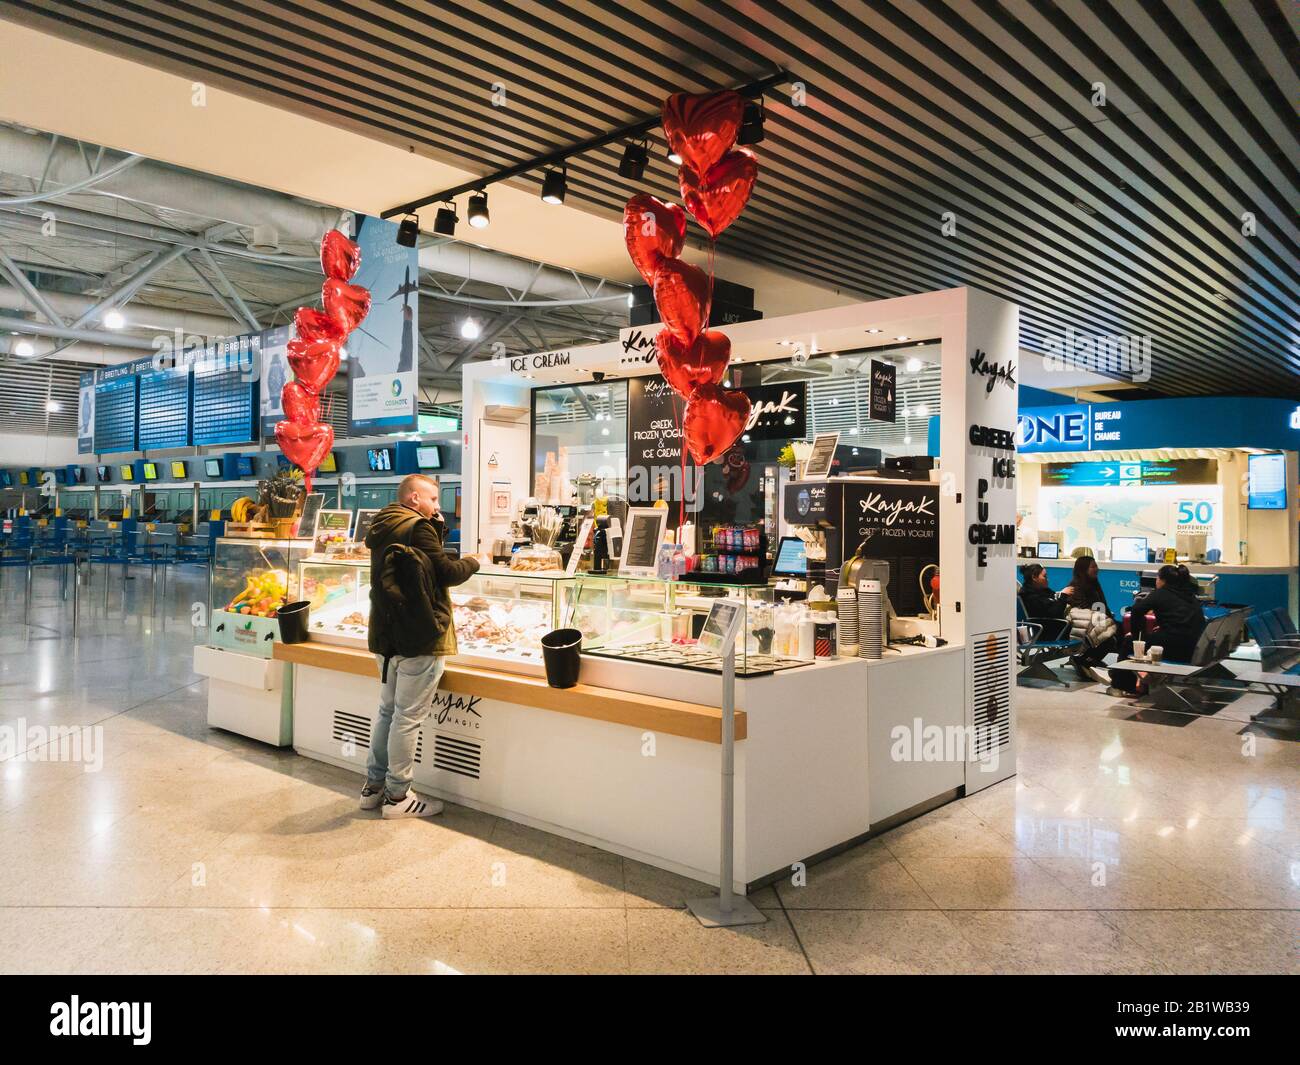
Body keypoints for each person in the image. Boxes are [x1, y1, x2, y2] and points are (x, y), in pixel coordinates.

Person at [362, 474, 479, 818]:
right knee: (408, 718)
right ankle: (399, 798)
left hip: (385, 636)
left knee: (387, 712)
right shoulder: (418, 527)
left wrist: (436, 528)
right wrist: (476, 559)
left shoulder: (384, 524)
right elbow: (447, 573)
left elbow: (420, 566)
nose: (437, 506)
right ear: (414, 498)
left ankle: (374, 788)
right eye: (433, 499)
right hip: (419, 634)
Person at [1112, 564, 1207, 694]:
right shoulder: (1189, 595)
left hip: (1175, 649)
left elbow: (1137, 609)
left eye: (1157, 577)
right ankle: (1140, 681)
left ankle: (1123, 686)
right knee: (1153, 637)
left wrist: (1137, 636)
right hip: (1195, 648)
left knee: (1129, 643)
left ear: (1162, 580)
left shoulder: (1161, 593)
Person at [1060, 554, 1118, 683]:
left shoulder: (1093, 584)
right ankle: (1083, 660)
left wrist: (1108, 617)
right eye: (1093, 566)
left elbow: (1102, 605)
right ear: (1083, 569)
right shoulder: (1075, 586)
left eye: (1096, 566)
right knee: (1110, 639)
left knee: (1116, 632)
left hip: (1095, 621)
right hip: (1083, 626)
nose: (1096, 569)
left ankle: (1089, 660)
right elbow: (1080, 610)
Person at [1017, 563, 1069, 640]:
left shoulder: (1042, 591)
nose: (1047, 579)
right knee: (1081, 625)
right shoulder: (1030, 596)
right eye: (1044, 576)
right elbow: (1055, 612)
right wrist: (1063, 596)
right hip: (1050, 631)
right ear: (1034, 577)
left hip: (1053, 627)